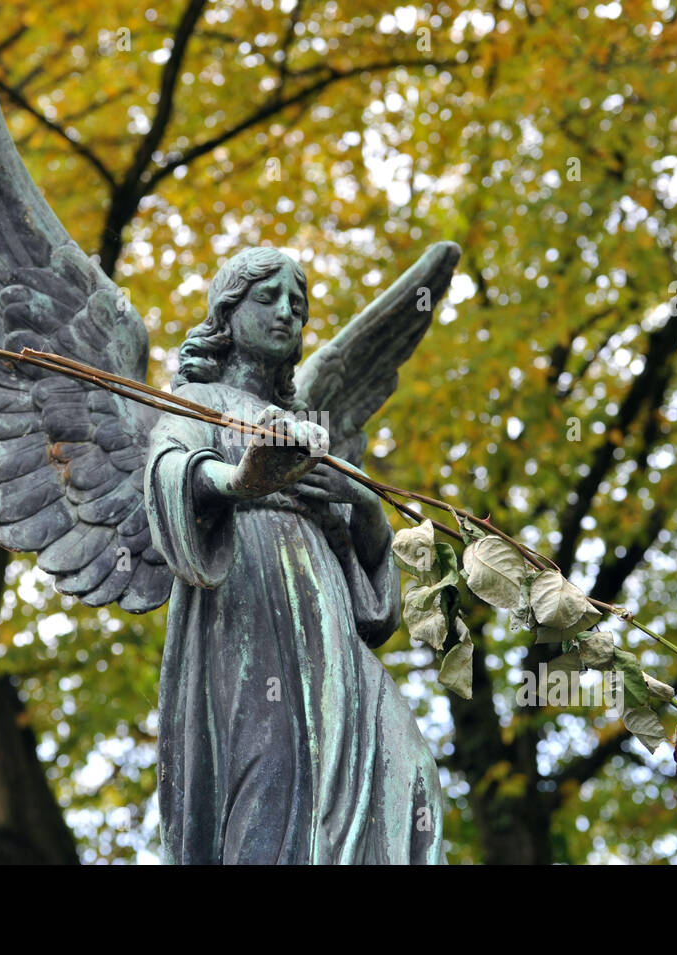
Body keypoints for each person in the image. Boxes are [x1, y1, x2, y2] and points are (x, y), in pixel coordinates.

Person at [144, 246, 445, 864]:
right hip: (245, 604)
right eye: (268, 298)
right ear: (227, 314)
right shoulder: (196, 403)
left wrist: (362, 503)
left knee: (408, 768)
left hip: (330, 631)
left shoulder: (310, 425)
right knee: (271, 784)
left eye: (298, 306)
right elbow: (168, 471)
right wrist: (238, 482)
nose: (286, 313)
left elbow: (376, 612)